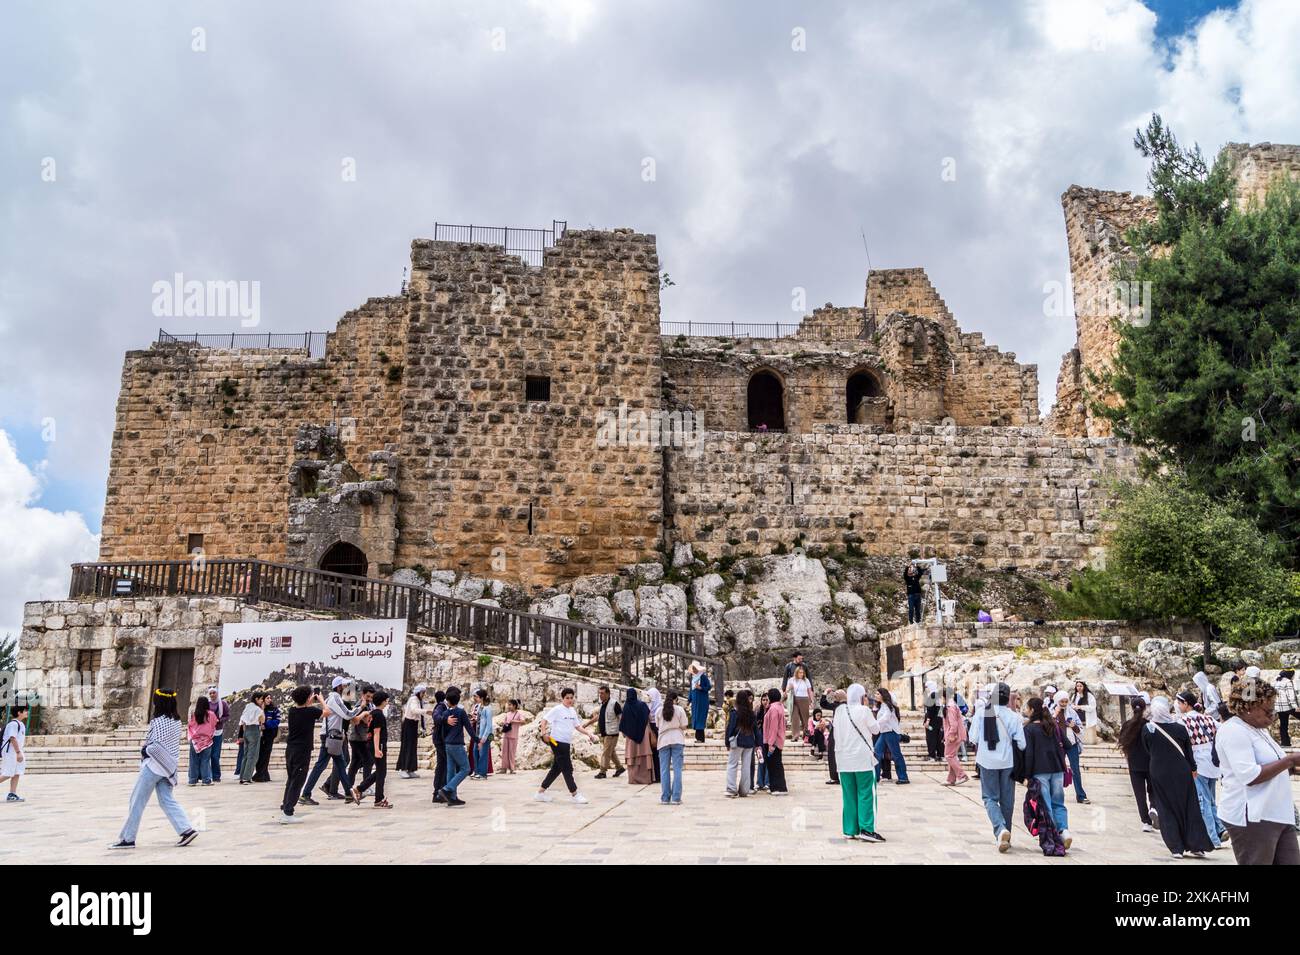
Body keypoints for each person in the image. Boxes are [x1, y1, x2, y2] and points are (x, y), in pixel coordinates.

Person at [1216, 677, 1300, 864]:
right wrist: (1290, 760)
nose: (1272, 716)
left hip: (1277, 812)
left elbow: (1274, 767)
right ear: (1248, 707)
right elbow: (1250, 775)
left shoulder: (1259, 730)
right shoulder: (1233, 731)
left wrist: (1293, 768)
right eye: (1268, 711)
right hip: (1253, 816)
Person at [108, 688, 199, 849]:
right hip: (168, 766)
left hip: (153, 767)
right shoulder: (177, 722)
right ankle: (186, 829)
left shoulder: (158, 721)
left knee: (137, 801)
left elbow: (155, 745)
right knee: (166, 800)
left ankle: (128, 838)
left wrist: (145, 750)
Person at [1142, 696, 1214, 859]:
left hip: (1159, 772)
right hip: (1182, 771)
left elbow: (1147, 750)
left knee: (1166, 808)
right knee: (1189, 806)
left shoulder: (1148, 729)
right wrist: (1193, 768)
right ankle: (1196, 844)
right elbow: (1188, 752)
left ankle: (1176, 847)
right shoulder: (1180, 728)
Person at [967, 682, 1026, 852]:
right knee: (1007, 800)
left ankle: (1000, 830)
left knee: (990, 798)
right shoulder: (1014, 716)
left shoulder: (981, 713)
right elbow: (1021, 744)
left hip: (987, 762)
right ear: (1008, 698)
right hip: (1008, 762)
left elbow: (974, 738)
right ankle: (1006, 834)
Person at [834, 684, 885, 842]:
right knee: (866, 794)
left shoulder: (840, 711)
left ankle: (850, 829)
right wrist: (871, 710)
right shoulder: (864, 711)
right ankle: (867, 829)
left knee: (848, 795)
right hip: (862, 759)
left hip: (843, 760)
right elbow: (876, 730)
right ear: (861, 696)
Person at [301, 676, 362, 805]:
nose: (346, 688)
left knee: (340, 764)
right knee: (321, 766)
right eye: (344, 686)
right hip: (331, 737)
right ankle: (305, 794)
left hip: (332, 736)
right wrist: (361, 707)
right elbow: (348, 714)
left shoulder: (333, 698)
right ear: (339, 687)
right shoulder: (335, 698)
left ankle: (348, 793)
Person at [1176, 690, 1224, 849]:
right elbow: (1221, 730)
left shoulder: (1183, 721)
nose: (1178, 705)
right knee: (1211, 799)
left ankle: (1212, 838)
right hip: (1213, 763)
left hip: (1198, 764)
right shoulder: (1209, 718)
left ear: (1185, 704)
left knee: (1203, 802)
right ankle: (1220, 829)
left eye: (1179, 702)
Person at [1023, 696, 1071, 851]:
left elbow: (1029, 753)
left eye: (1027, 708)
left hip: (1040, 770)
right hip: (1057, 768)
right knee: (1058, 802)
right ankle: (1064, 830)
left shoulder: (1029, 729)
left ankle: (1054, 835)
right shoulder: (1052, 725)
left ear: (1031, 710)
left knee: (1046, 804)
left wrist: (1027, 775)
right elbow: (1068, 744)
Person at [534, 688, 595, 805]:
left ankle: (540, 793)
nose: (570, 700)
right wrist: (544, 733)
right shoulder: (557, 709)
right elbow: (544, 720)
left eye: (571, 698)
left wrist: (589, 733)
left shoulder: (572, 711)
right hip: (556, 741)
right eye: (567, 698)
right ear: (562, 698)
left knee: (557, 768)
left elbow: (577, 726)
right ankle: (575, 794)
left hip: (566, 743)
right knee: (567, 768)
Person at [279, 685, 327, 823]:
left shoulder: (292, 710)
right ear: (307, 698)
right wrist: (322, 700)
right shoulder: (310, 711)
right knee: (298, 781)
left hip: (291, 750)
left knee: (291, 779)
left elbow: (304, 708)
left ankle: (285, 806)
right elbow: (327, 712)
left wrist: (309, 701)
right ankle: (288, 813)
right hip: (302, 751)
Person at [1117, 696, 1158, 832]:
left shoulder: (1127, 725)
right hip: (1150, 762)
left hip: (1134, 764)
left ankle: (1146, 822)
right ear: (1145, 707)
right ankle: (1154, 808)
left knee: (1139, 794)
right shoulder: (1149, 725)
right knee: (1153, 789)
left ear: (1131, 707)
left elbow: (1121, 742)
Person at [354, 690, 392, 808]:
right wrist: (377, 749)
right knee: (381, 772)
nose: (387, 702)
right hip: (377, 744)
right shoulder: (379, 714)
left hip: (372, 743)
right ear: (382, 701)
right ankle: (378, 799)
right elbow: (377, 733)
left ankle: (360, 789)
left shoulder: (373, 713)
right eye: (386, 700)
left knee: (381, 771)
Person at [436, 686, 473, 807]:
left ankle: (452, 798)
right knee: (465, 769)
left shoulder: (447, 711)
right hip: (455, 744)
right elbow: (468, 727)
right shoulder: (444, 708)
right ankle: (447, 789)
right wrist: (477, 739)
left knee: (451, 771)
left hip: (447, 743)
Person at [1053, 690, 1089, 804]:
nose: (1064, 704)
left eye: (1065, 701)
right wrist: (1055, 715)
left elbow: (1079, 729)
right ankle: (1055, 796)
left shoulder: (1072, 712)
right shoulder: (1051, 712)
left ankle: (1081, 795)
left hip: (1071, 744)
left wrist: (1074, 726)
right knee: (1056, 770)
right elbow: (1047, 727)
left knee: (1076, 770)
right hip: (1058, 745)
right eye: (1061, 701)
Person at [341, 686, 375, 800]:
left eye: (371, 697)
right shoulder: (360, 705)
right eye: (368, 696)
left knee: (355, 764)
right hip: (359, 738)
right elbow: (354, 719)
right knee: (368, 761)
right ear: (363, 695)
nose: (370, 698)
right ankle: (365, 786)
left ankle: (349, 788)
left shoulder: (368, 705)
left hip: (358, 738)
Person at [656, 690, 690, 804]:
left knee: (664, 770)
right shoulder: (679, 710)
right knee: (677, 769)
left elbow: (657, 725)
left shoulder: (659, 710)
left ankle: (665, 798)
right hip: (677, 739)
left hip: (663, 741)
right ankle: (676, 798)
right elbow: (684, 726)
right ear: (676, 699)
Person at [585, 685, 624, 778]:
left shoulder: (614, 704)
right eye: (599, 693)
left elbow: (621, 718)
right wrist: (587, 724)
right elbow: (599, 717)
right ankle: (619, 768)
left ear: (608, 693)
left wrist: (623, 730)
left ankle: (602, 771)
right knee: (611, 752)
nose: (600, 695)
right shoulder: (603, 704)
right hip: (605, 733)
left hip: (612, 733)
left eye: (602, 693)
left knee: (606, 752)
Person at [872, 688, 909, 784]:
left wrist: (875, 723)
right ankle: (875, 777)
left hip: (891, 732)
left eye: (877, 694)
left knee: (896, 755)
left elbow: (886, 717)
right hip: (884, 733)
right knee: (877, 752)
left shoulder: (888, 706)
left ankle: (903, 778)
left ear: (883, 695)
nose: (875, 695)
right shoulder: (882, 706)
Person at [725, 689, 758, 797]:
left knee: (732, 764)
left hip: (737, 742)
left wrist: (727, 742)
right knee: (746, 766)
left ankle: (731, 789)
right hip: (749, 743)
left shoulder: (735, 712)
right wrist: (758, 743)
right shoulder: (752, 713)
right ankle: (744, 790)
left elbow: (730, 728)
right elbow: (756, 730)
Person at [620, 689, 655, 785]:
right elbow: (648, 718)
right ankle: (645, 779)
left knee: (633, 754)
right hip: (643, 733)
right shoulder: (642, 705)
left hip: (630, 736)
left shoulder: (626, 706)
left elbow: (623, 722)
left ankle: (633, 779)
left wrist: (625, 732)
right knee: (643, 754)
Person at [397, 684, 431, 779]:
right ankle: (403, 769)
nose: (424, 694)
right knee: (407, 746)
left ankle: (411, 769)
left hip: (413, 725)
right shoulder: (413, 700)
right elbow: (414, 710)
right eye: (423, 692)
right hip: (409, 724)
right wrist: (425, 711)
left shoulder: (419, 700)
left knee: (412, 747)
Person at [762, 688, 788, 795]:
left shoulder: (773, 709)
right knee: (777, 764)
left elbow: (773, 727)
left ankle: (778, 788)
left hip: (774, 741)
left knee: (774, 765)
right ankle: (778, 787)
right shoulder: (780, 707)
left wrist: (770, 743)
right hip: (779, 740)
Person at [186, 696, 218, 786]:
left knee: (193, 760)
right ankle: (206, 780)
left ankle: (192, 780)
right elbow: (214, 724)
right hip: (206, 741)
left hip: (195, 741)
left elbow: (190, 725)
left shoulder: (194, 714)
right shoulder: (211, 714)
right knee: (205, 760)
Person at [0, 702, 28, 803]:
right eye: (25, 710)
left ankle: (12, 794)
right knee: (8, 773)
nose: (27, 712)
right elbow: (12, 738)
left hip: (16, 752)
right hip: (11, 752)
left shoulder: (21, 724)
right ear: (19, 712)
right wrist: (18, 752)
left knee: (17, 772)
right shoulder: (13, 724)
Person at [238, 690, 266, 785]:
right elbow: (262, 720)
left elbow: (243, 720)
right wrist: (262, 709)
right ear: (256, 699)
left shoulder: (248, 706)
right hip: (254, 730)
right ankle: (247, 778)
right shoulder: (258, 709)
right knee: (253, 755)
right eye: (261, 699)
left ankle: (242, 776)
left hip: (246, 731)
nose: (262, 700)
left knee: (246, 755)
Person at [942, 688, 969, 785]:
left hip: (954, 735)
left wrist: (951, 735)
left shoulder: (950, 706)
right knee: (952, 756)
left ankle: (962, 775)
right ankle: (951, 779)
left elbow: (953, 724)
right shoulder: (952, 705)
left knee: (949, 755)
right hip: (955, 734)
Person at [252, 694, 281, 783]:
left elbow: (277, 720)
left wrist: (266, 725)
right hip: (259, 735)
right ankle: (261, 774)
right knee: (259, 754)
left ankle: (262, 774)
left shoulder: (274, 709)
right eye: (267, 698)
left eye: (270, 698)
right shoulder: (258, 709)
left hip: (269, 734)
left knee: (266, 754)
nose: (269, 699)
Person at [206, 687, 229, 783]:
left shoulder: (223, 704)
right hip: (207, 731)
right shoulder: (207, 704)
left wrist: (220, 720)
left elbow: (227, 716)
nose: (212, 695)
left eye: (213, 693)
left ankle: (216, 775)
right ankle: (207, 774)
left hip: (218, 731)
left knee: (215, 755)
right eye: (210, 693)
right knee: (207, 755)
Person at [785, 664, 813, 743]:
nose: (801, 674)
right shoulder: (791, 680)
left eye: (802, 672)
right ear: (796, 672)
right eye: (800, 672)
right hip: (794, 700)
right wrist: (787, 690)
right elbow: (787, 689)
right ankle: (795, 736)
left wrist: (811, 700)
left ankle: (805, 735)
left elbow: (809, 691)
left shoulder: (806, 680)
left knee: (805, 719)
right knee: (795, 718)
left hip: (804, 699)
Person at [430, 689, 450, 799]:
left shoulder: (440, 706)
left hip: (439, 740)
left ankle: (437, 792)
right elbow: (436, 717)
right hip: (440, 740)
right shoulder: (441, 706)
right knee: (445, 764)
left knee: (441, 764)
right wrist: (446, 719)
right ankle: (441, 790)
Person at [471, 688, 494, 779]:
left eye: (476, 697)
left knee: (483, 754)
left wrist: (483, 739)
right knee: (475, 752)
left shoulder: (488, 709)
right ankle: (477, 771)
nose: (475, 698)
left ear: (481, 698)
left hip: (485, 736)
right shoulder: (480, 707)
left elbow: (489, 726)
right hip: (478, 734)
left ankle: (482, 773)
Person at [688, 664, 712, 744]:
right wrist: (689, 700)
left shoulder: (703, 677)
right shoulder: (694, 678)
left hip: (702, 701)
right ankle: (698, 737)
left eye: (695, 669)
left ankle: (701, 738)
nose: (694, 670)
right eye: (693, 669)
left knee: (700, 718)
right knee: (695, 718)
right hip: (695, 702)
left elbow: (708, 686)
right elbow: (691, 690)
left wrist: (701, 688)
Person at [1273, 670, 1298, 747]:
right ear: (1290, 675)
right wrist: (1296, 707)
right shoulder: (1288, 682)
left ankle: (1285, 743)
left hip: (1279, 707)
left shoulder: (1277, 681)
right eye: (1293, 675)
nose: (1294, 677)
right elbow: (1291, 696)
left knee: (1283, 725)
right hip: (1288, 706)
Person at [499, 699, 524, 773]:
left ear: (514, 705)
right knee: (504, 752)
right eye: (508, 705)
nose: (508, 706)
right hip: (506, 735)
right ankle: (504, 768)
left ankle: (512, 769)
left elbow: (523, 721)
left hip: (514, 735)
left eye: (510, 705)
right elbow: (505, 722)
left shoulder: (519, 714)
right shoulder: (507, 714)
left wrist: (514, 721)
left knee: (511, 752)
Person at [825, 689, 845, 785]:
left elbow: (823, 703)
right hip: (844, 733)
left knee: (832, 754)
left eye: (836, 694)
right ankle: (839, 776)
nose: (834, 695)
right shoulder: (841, 705)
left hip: (837, 732)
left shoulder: (838, 706)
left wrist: (825, 693)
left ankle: (835, 777)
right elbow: (824, 704)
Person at [645, 687, 663, 784]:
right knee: (654, 754)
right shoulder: (653, 706)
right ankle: (655, 776)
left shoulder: (659, 707)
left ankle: (657, 776)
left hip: (654, 729)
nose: (649, 697)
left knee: (656, 754)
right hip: (653, 729)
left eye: (650, 695)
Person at [923, 681, 943, 761]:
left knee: (931, 738)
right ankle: (940, 754)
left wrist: (927, 721)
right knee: (938, 737)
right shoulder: (937, 695)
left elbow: (930, 710)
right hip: (937, 721)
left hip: (931, 722)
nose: (926, 689)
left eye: (926, 687)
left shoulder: (932, 695)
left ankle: (932, 756)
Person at [754, 692, 770, 791]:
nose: (765, 702)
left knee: (768, 761)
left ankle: (768, 782)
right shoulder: (758, 711)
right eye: (763, 700)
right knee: (761, 760)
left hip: (768, 738)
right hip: (760, 738)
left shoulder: (771, 710)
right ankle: (760, 782)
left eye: (766, 699)